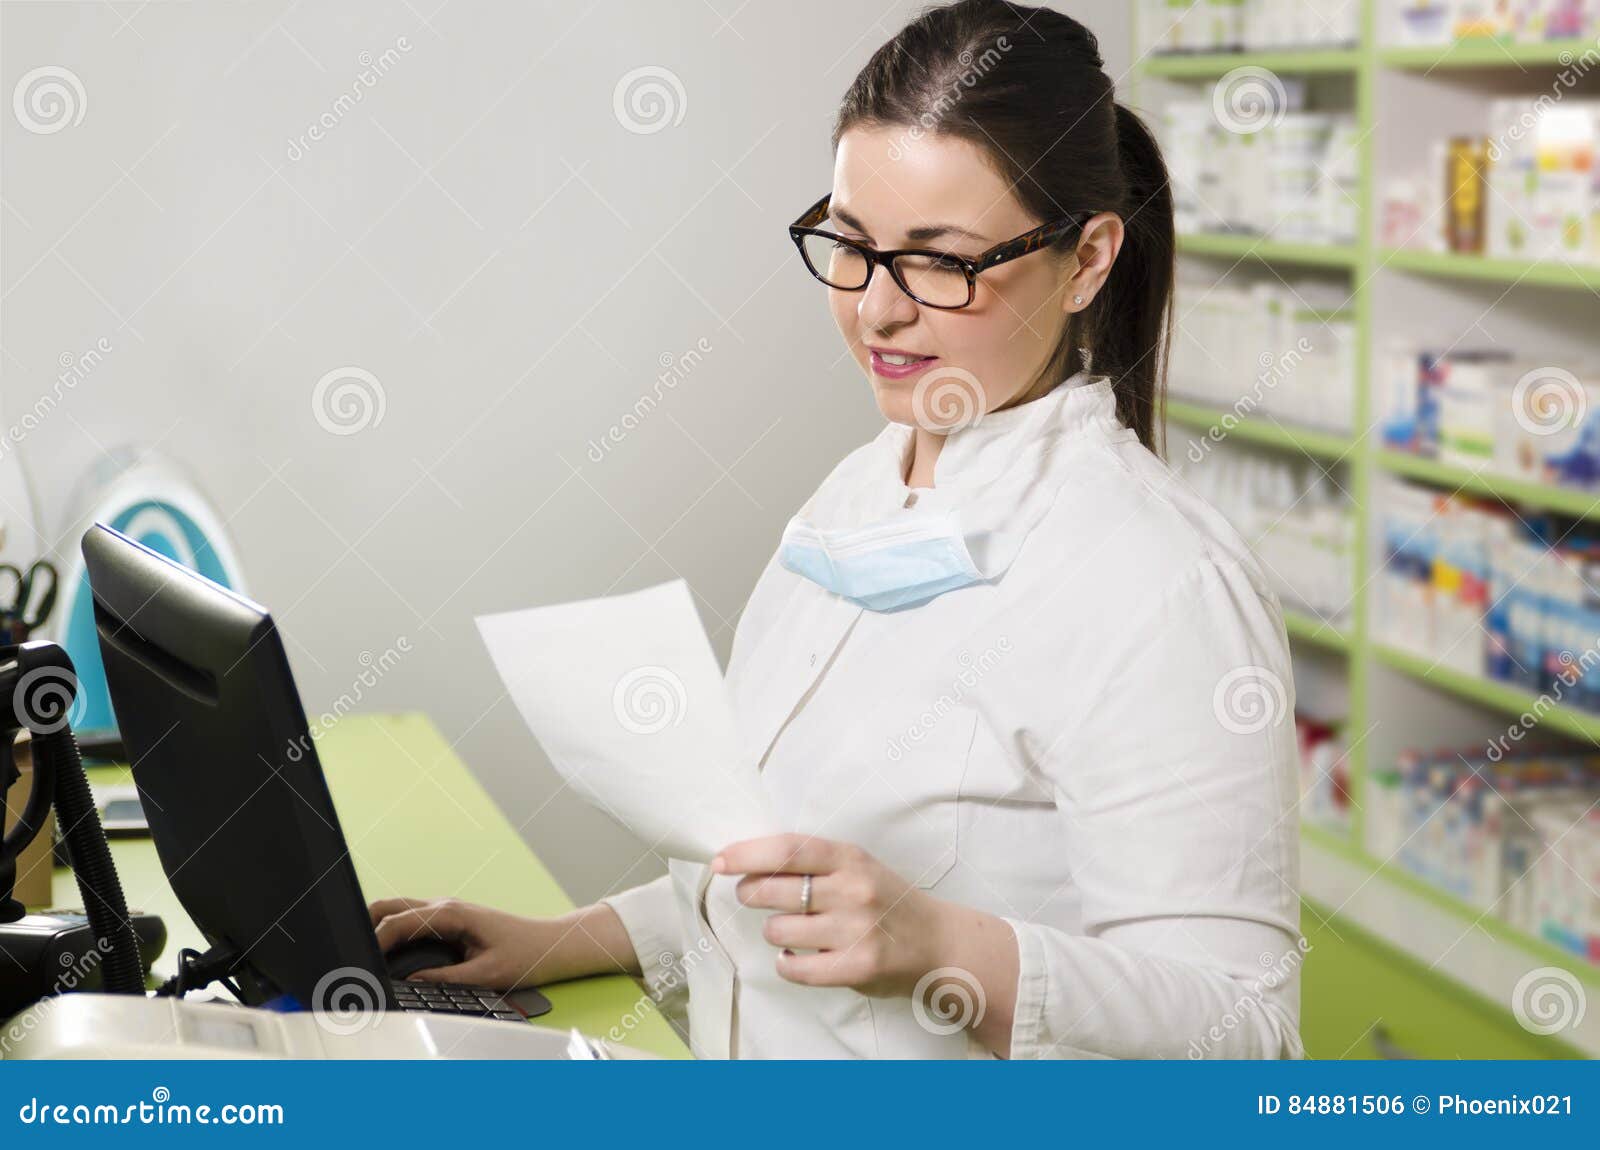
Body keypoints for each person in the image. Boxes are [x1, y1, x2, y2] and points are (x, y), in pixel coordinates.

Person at [370, 0, 1304, 1059]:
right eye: (851, 244)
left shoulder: (1161, 582)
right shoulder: (855, 497)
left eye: (941, 261)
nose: (876, 309)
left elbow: (1246, 1036)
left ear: (1086, 259)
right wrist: (560, 941)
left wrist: (944, 948)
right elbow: (781, 868)